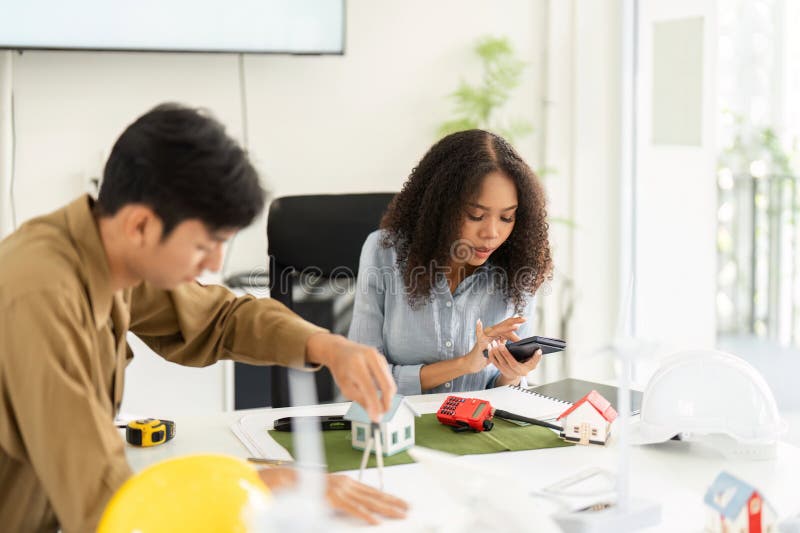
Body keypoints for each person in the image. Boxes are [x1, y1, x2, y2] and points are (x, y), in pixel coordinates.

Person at [0, 103, 407, 532]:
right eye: (203, 246)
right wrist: (251, 484)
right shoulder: (41, 299)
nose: (213, 264)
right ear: (141, 226)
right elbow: (107, 506)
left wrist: (329, 347)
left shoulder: (109, 254)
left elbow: (220, 319)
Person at [348, 129, 553, 396]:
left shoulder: (519, 267)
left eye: (506, 218)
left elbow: (501, 390)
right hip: (400, 419)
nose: (492, 233)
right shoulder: (383, 252)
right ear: (441, 208)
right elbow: (362, 377)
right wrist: (464, 364)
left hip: (479, 421)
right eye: (475, 215)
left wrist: (511, 374)